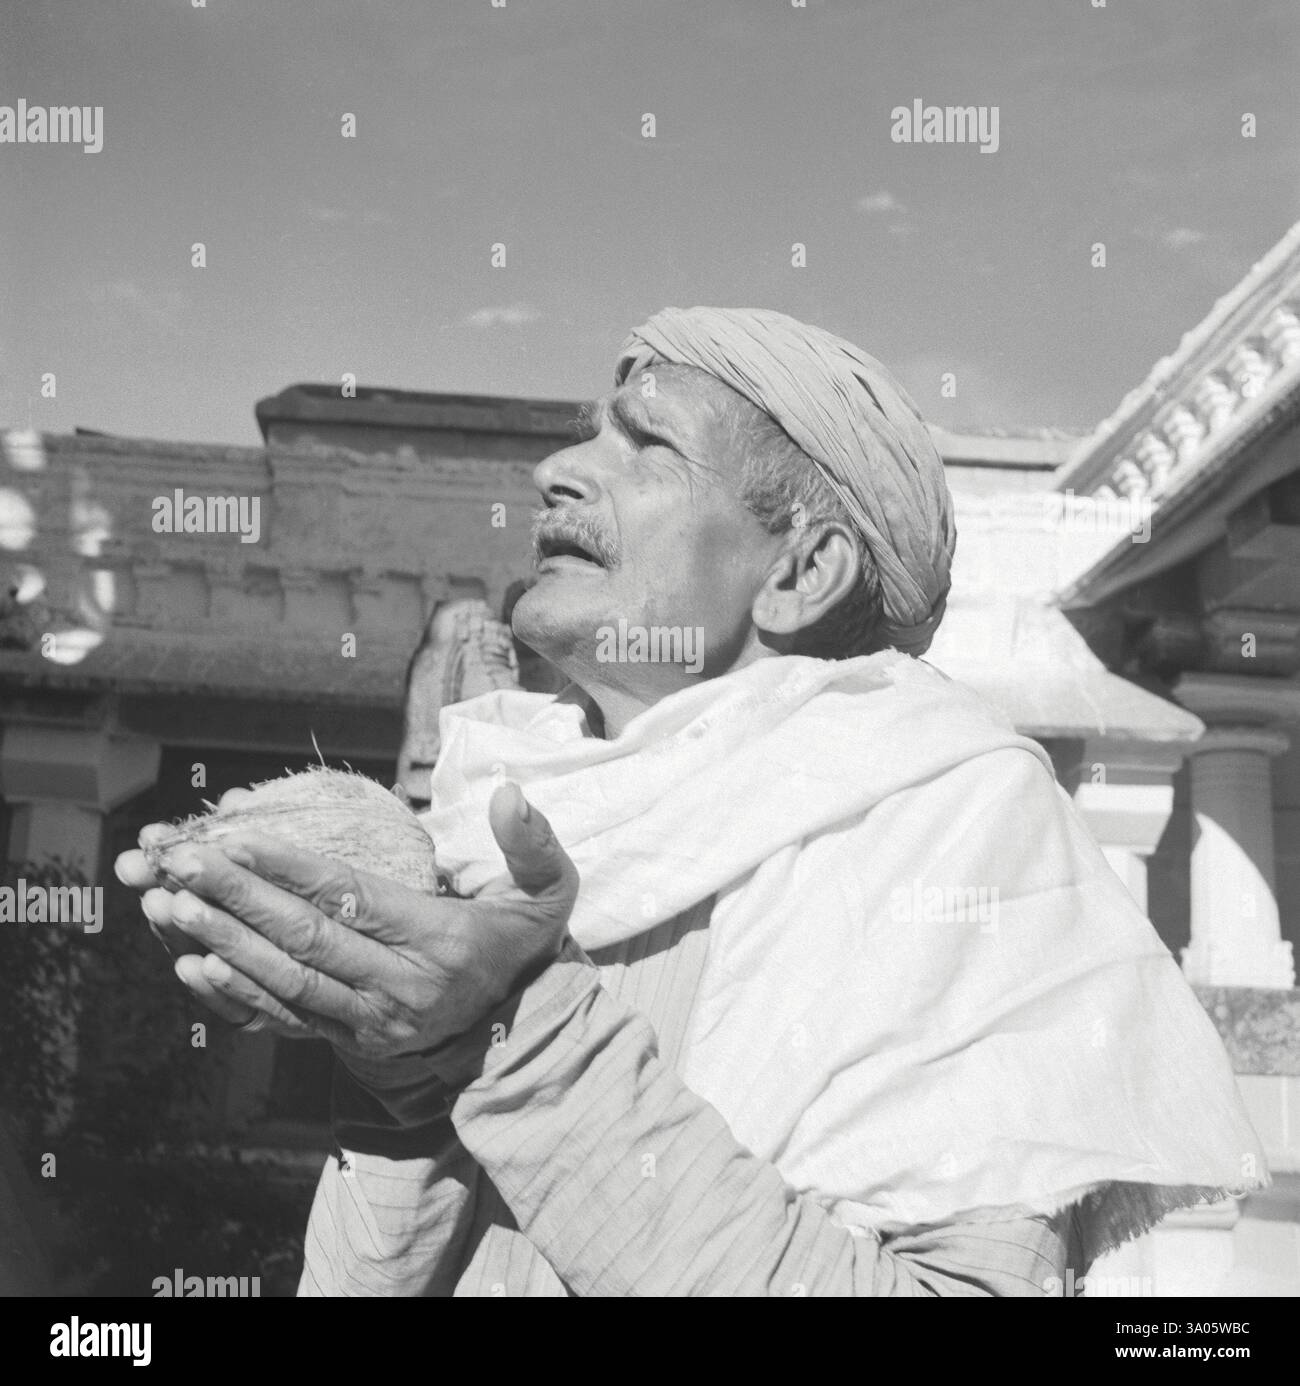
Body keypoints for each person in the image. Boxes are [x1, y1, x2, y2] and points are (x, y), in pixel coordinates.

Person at [115, 307, 1265, 1297]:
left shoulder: (948, 819)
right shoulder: (503, 805)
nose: (556, 472)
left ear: (800, 574)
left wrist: (513, 1031)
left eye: (646, 445)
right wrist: (408, 1073)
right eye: (586, 438)